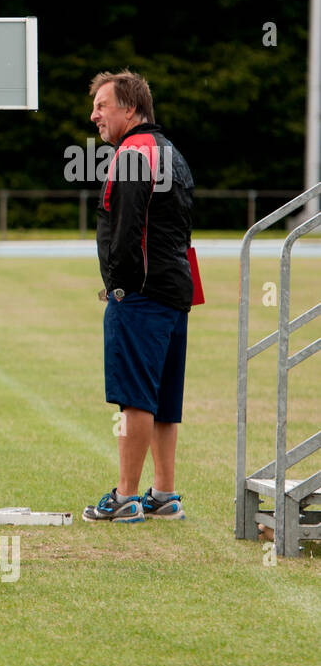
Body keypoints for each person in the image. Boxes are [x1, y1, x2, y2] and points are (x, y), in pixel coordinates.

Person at [85, 69, 193, 523]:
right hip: (175, 289)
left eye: (102, 106)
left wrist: (118, 286)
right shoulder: (171, 152)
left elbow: (126, 233)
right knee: (163, 398)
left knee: (135, 397)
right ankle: (163, 493)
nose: (94, 116)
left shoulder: (134, 152)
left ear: (130, 108)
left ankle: (127, 496)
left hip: (143, 294)